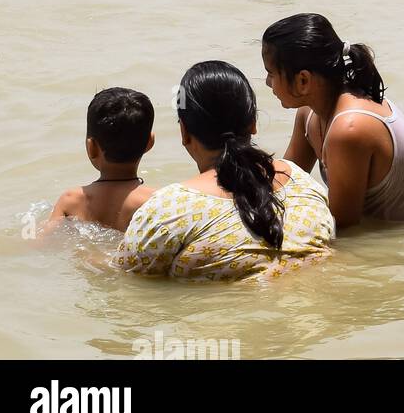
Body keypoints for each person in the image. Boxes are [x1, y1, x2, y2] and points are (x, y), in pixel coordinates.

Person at [116, 60, 334, 280]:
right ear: (253, 124)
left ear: (184, 132)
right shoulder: (304, 185)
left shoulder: (167, 211)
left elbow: (124, 279)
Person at [263, 13, 404, 227]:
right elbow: (285, 185)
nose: (266, 82)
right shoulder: (309, 113)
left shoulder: (349, 129)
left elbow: (343, 228)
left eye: (271, 74)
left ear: (303, 80)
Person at [44, 88, 155, 234]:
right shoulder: (155, 201)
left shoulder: (71, 201)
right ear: (150, 142)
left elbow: (43, 243)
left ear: (91, 147)